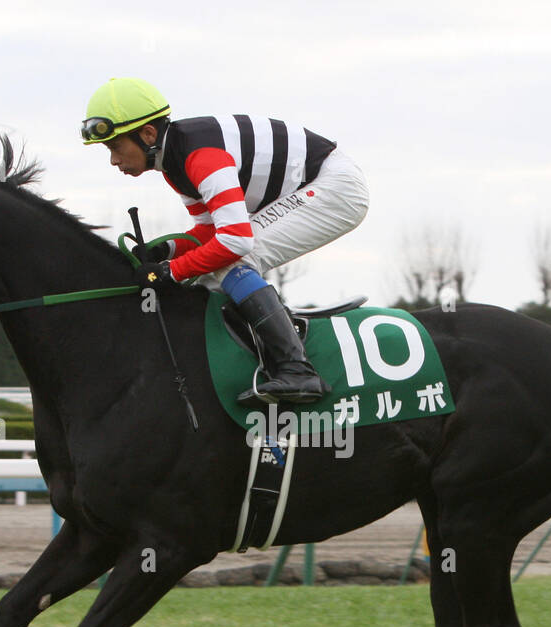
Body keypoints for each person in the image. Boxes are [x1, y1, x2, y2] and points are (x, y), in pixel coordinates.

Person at [82, 77, 369, 406]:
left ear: (147, 134)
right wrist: (168, 250)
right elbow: (208, 232)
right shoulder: (174, 162)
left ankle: (297, 370)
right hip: (318, 182)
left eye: (115, 146)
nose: (113, 160)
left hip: (336, 187)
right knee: (213, 266)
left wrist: (170, 271)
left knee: (233, 261)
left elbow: (235, 241)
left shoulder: (199, 157)